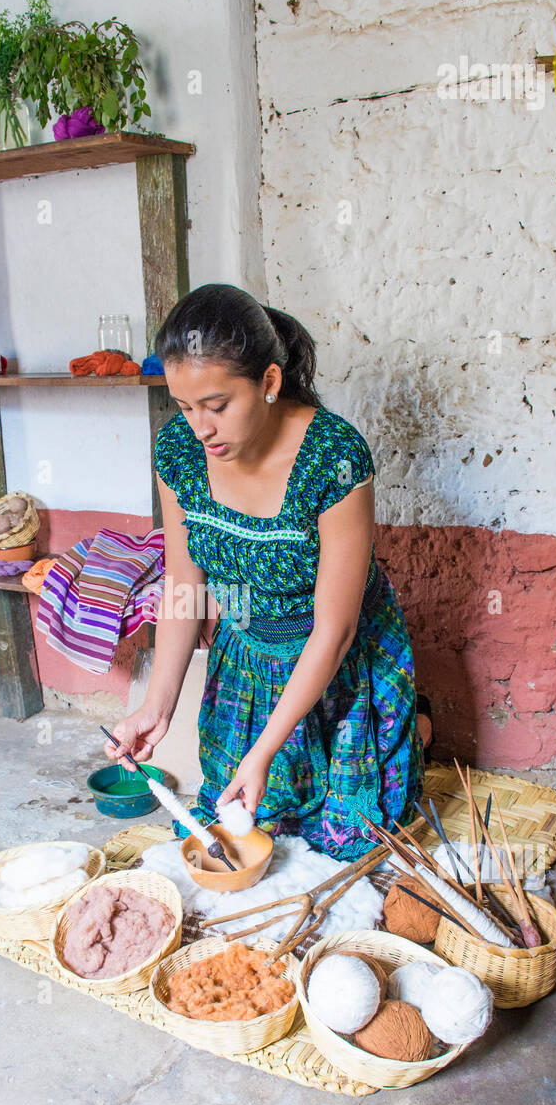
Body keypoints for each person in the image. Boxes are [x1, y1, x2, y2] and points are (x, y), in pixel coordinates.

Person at [106, 283, 427, 860]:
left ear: (270, 383)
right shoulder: (179, 451)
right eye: (184, 405)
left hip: (337, 661)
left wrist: (262, 753)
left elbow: (337, 631)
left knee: (351, 838)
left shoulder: (333, 455)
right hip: (248, 656)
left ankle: (407, 724)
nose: (199, 427)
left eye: (217, 405)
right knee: (230, 828)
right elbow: (185, 586)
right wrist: (156, 707)